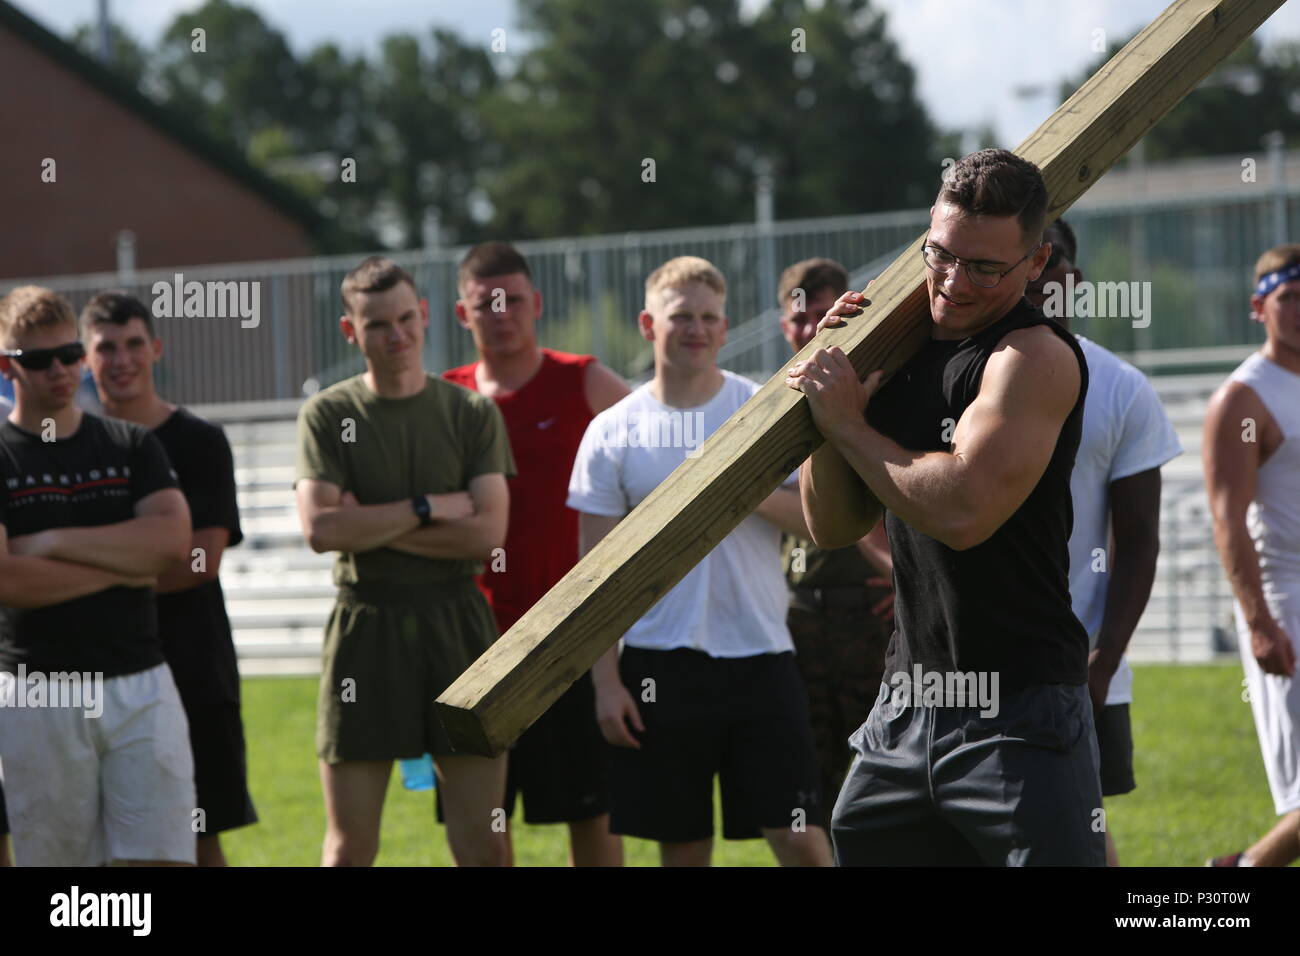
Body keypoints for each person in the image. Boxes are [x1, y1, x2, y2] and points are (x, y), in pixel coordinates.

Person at [788, 148, 1104, 866]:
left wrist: (849, 426)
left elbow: (964, 513)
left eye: (985, 267)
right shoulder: (898, 342)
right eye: (941, 254)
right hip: (905, 701)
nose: (955, 282)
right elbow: (832, 525)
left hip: (1020, 707)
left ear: (1035, 263)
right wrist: (837, 375)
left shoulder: (1030, 357)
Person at [570, 255, 831, 867]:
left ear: (725, 326)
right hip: (660, 666)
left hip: (762, 655)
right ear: (646, 324)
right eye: (680, 316)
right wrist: (606, 685)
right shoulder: (613, 430)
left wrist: (739, 484)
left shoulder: (764, 409)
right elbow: (592, 576)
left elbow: (816, 523)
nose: (696, 328)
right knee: (683, 847)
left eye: (709, 317)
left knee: (798, 837)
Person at [295, 256, 515, 867]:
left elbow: (486, 536)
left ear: (423, 316)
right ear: (350, 331)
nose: (395, 336)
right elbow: (320, 529)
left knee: (483, 843)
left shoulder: (470, 412)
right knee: (350, 846)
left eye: (404, 319)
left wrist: (369, 525)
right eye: (376, 325)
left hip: (458, 623)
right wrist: (428, 507)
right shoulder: (329, 415)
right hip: (366, 628)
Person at [444, 241, 629, 867]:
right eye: (484, 304)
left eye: (513, 300)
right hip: (473, 645)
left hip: (570, 641)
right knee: (482, 833)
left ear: (537, 304)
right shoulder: (446, 399)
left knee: (593, 818)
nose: (501, 314)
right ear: (461, 314)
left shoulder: (583, 379)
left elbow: (658, 454)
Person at [0, 285, 194, 866]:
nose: (60, 370)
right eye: (40, 360)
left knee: (159, 862)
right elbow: (7, 582)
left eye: (69, 355)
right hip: (40, 688)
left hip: (139, 677)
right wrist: (123, 567)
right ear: (8, 367)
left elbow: (171, 543)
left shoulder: (130, 443)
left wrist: (56, 544)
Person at [1024, 219, 1181, 867]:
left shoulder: (1119, 386)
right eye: (1013, 258)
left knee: (1076, 836)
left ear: (1072, 281)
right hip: (959, 664)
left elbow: (1140, 542)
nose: (1030, 275)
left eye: (1045, 257)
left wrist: (1104, 658)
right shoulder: (949, 372)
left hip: (1078, 667)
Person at [82, 290, 258, 867]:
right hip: (95, 661)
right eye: (106, 347)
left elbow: (202, 561)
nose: (122, 359)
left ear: (157, 347)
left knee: (199, 830)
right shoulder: (70, 448)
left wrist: (81, 575)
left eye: (134, 343)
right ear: (85, 357)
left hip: (190, 659)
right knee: (95, 836)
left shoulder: (200, 442)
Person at [776, 257, 896, 832]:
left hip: (863, 611)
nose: (810, 330)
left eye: (825, 315)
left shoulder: (866, 392)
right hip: (799, 615)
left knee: (876, 775)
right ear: (784, 326)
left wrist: (904, 581)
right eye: (801, 318)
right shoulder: (769, 408)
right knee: (810, 785)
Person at [1204, 243, 1300, 867]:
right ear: (1259, 307)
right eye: (1290, 297)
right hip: (1287, 599)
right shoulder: (1244, 397)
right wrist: (1260, 622)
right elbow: (1227, 518)